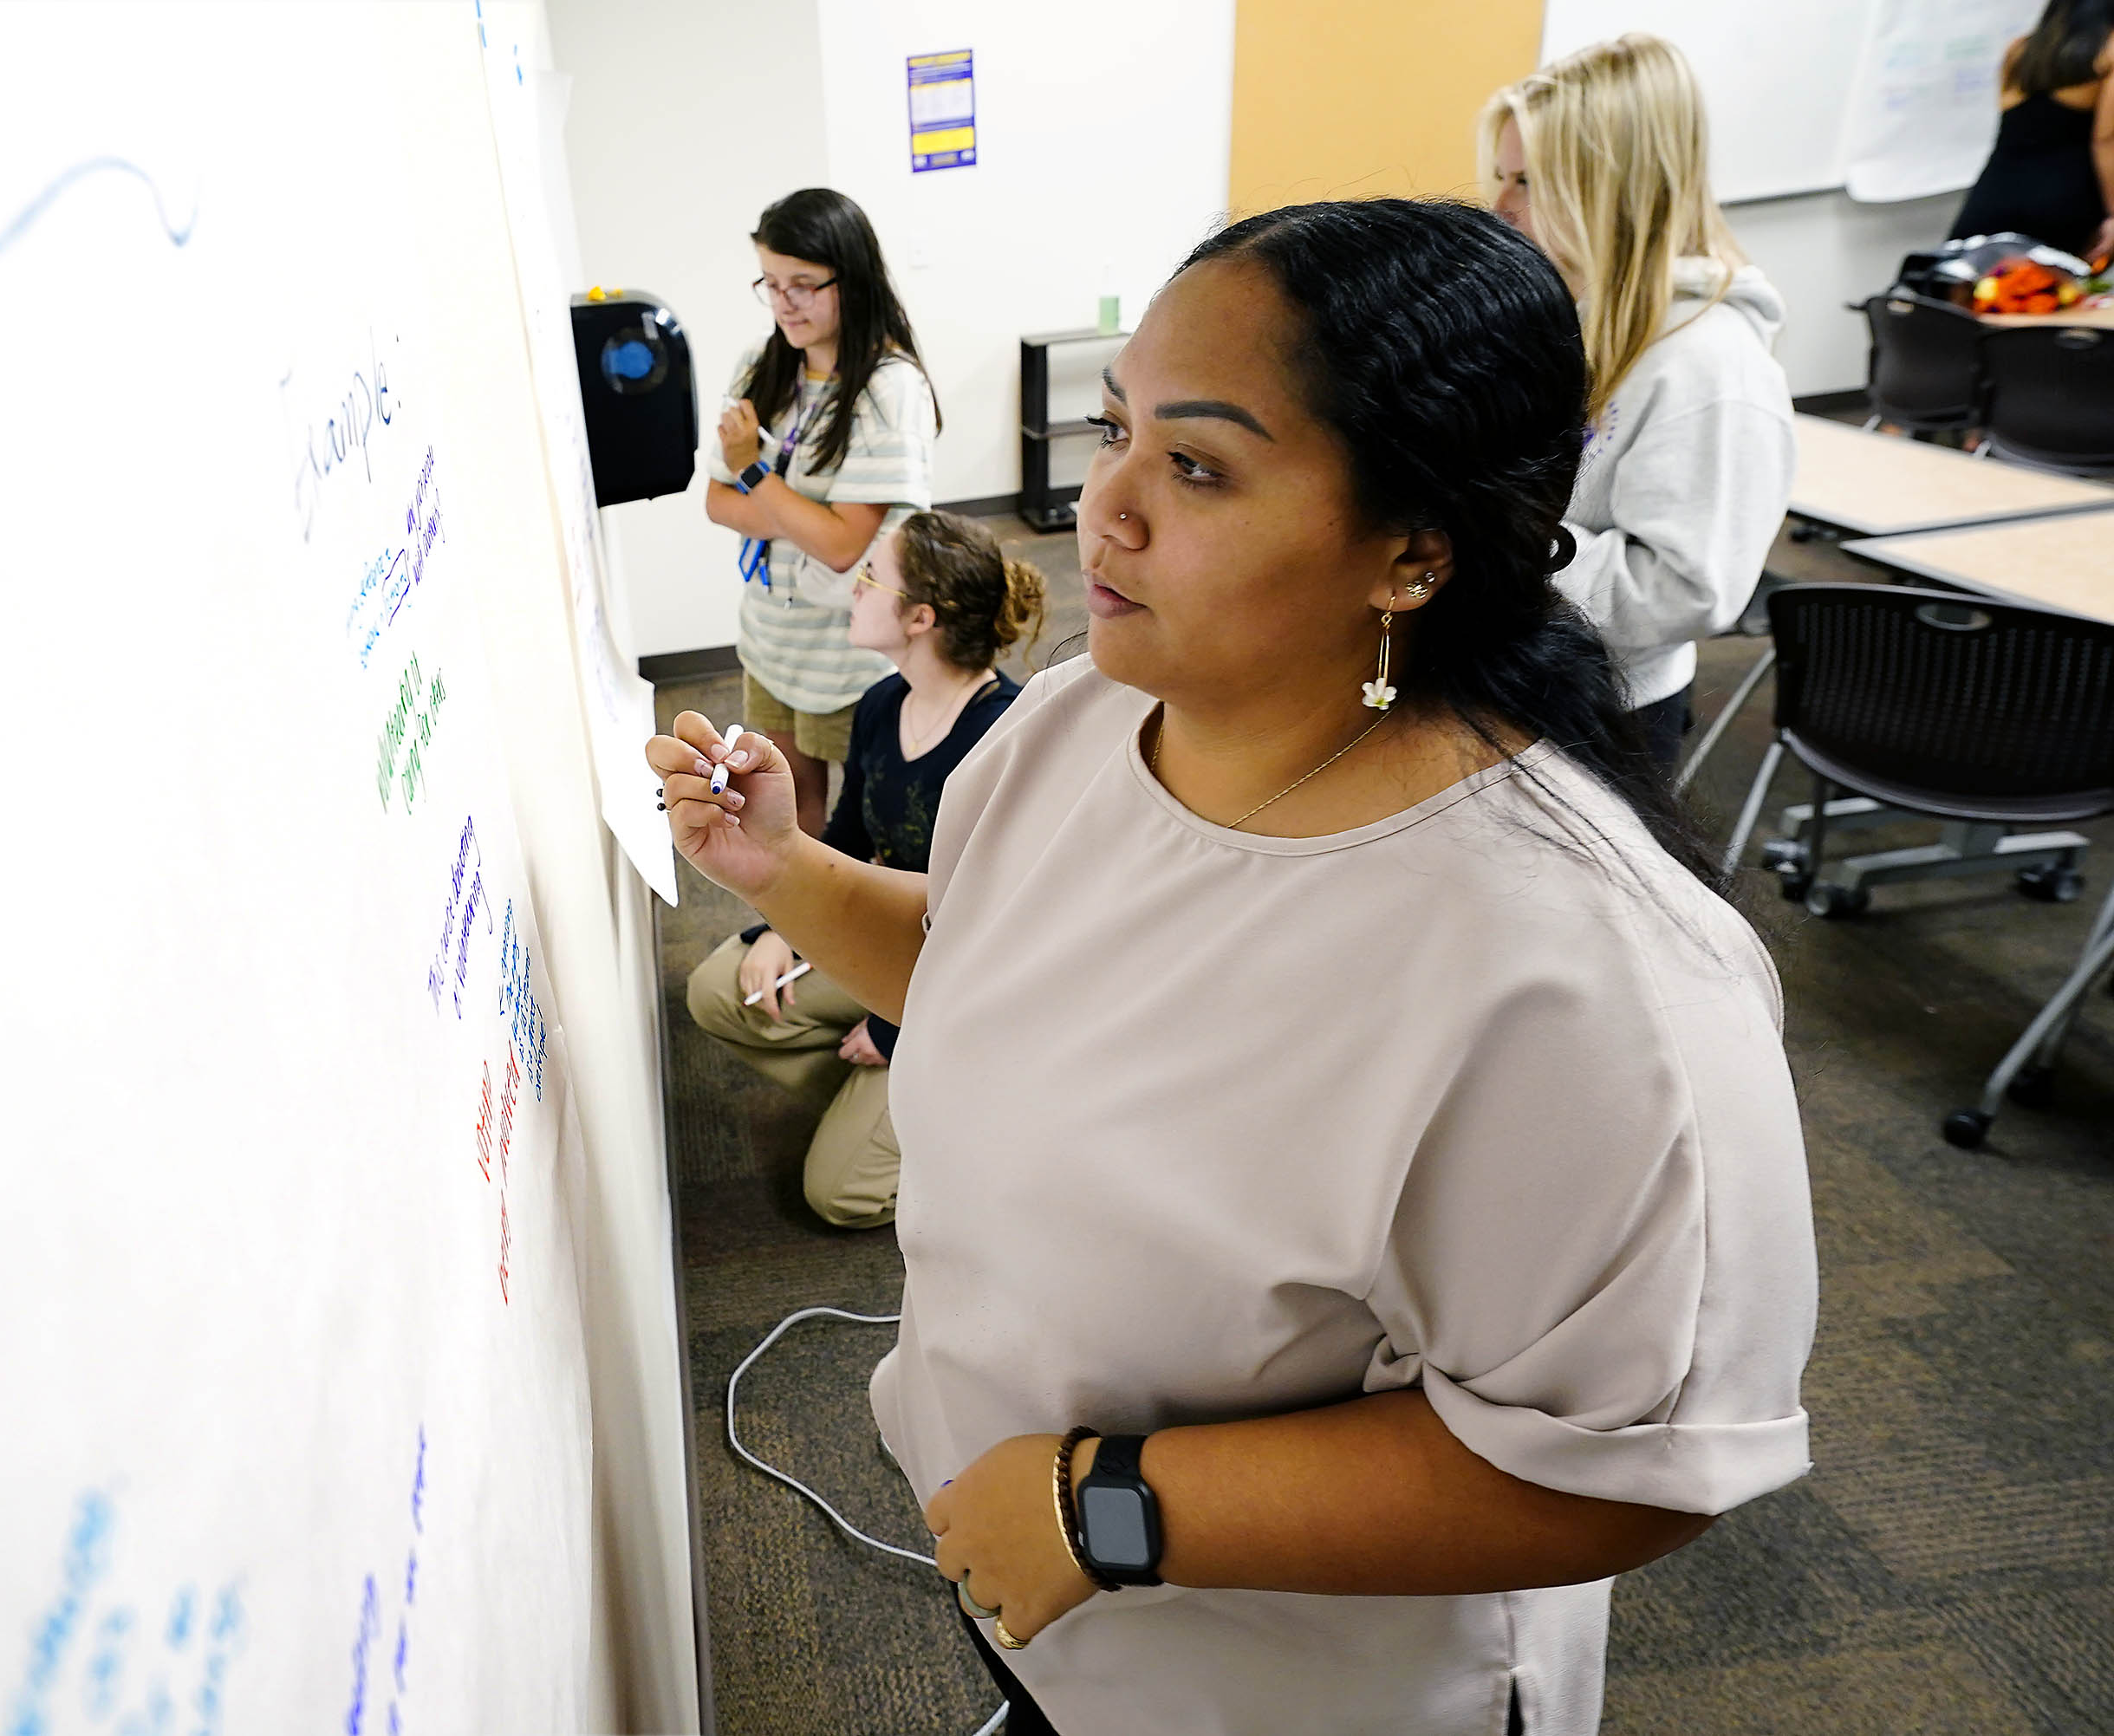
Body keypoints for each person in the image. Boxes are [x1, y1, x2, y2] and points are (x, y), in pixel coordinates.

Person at [647, 198, 1814, 1736]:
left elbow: (1617, 1468)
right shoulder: (1083, 719)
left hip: (1283, 1676)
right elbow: (987, 963)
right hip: (1048, 1593)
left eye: (1196, 465)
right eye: (1118, 426)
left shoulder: (1588, 983)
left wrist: (1104, 1509)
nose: (1102, 505)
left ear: (1412, 550)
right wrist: (787, 873)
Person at [684, 512, 1044, 1228]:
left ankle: (974, 1132)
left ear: (920, 617)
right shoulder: (883, 703)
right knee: (719, 993)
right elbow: (847, 837)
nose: (854, 585)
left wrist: (890, 1032)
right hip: (892, 941)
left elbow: (998, 930)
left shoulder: (1005, 735)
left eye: (872, 574)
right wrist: (784, 925)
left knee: (838, 1195)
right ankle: (899, 1109)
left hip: (965, 986)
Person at [1480, 34, 1794, 774]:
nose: (1498, 208)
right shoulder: (1573, 314)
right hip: (1520, 676)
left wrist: (1493, 537)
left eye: (1528, 183)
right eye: (1502, 176)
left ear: (1608, 188)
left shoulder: (1708, 365)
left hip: (1605, 708)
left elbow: (1686, 589)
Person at [705, 187, 939, 838]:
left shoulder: (889, 390)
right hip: (772, 635)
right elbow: (717, 502)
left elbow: (840, 544)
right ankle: (797, 932)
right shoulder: (761, 365)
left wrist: (756, 471)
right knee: (786, 802)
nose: (784, 303)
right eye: (771, 283)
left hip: (852, 647)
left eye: (803, 285)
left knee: (868, 821)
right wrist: (793, 512)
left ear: (851, 279)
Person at [1950, 0, 2114, 265]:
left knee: (1967, 292)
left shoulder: (2019, 50)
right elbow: (2107, 139)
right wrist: (2112, 214)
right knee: (2052, 296)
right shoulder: (2108, 52)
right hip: (2064, 197)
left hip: (1992, 192)